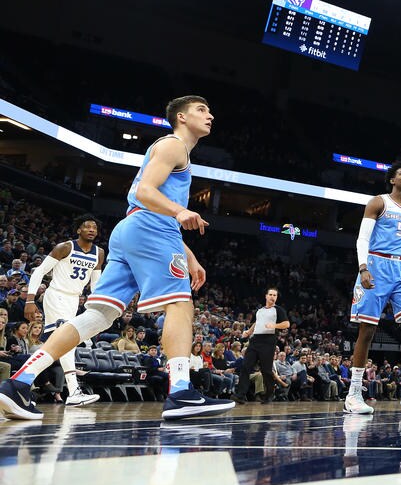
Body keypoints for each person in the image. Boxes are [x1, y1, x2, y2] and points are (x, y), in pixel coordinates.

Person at [0, 96, 233, 421]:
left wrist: (188, 254)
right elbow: (144, 193)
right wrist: (181, 211)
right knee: (180, 304)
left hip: (132, 231)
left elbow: (148, 202)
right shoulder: (173, 145)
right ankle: (181, 391)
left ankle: (19, 383)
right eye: (201, 110)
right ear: (181, 116)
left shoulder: (175, 151)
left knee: (98, 316)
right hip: (150, 228)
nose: (210, 115)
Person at [346, 161, 401, 415]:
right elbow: (362, 238)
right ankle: (353, 394)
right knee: (367, 330)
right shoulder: (378, 202)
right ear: (392, 180)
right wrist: (363, 268)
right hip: (376, 264)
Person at [21, 214, 107, 406]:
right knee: (67, 341)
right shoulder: (65, 247)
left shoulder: (99, 253)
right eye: (87, 227)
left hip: (73, 300)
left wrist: (98, 308)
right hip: (56, 295)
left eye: (94, 227)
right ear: (78, 230)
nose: (92, 230)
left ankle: (21, 385)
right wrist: (30, 300)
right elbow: (40, 271)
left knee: (59, 345)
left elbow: (96, 285)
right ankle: (74, 390)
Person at [232, 288, 290, 404]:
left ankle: (269, 394)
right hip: (255, 340)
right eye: (270, 294)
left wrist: (274, 325)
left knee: (266, 371)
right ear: (266, 296)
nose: (272, 297)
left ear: (276, 298)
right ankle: (240, 395)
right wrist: (249, 332)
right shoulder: (260, 310)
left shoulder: (278, 310)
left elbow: (286, 324)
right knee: (246, 366)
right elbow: (257, 323)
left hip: (268, 341)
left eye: (275, 295)